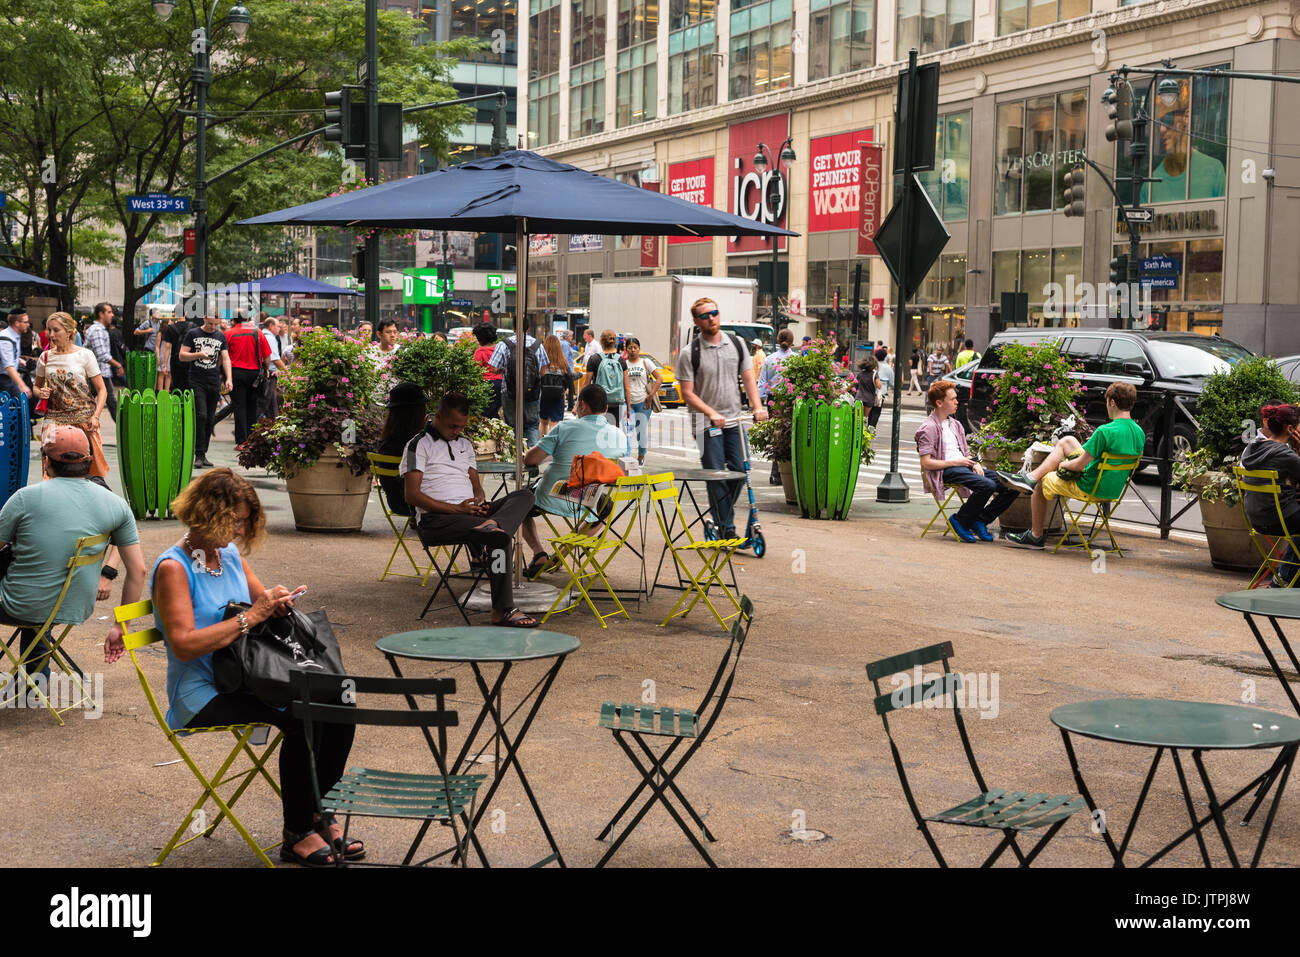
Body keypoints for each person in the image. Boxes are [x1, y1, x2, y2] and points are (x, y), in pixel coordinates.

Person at [145, 468, 360, 866]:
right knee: (298, 716)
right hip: (204, 690)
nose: (242, 530)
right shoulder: (173, 567)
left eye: (246, 521)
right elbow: (183, 645)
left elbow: (261, 600)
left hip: (246, 675)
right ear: (206, 514)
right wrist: (251, 617)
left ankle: (318, 811)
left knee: (341, 701)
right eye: (236, 520)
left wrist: (278, 599)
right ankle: (296, 833)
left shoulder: (227, 556)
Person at [0, 427, 144, 693]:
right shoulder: (116, 505)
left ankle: (34, 679)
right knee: (41, 606)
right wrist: (122, 627)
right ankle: (36, 680)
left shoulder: (24, 499)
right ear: (89, 461)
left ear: (46, 461)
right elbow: (139, 571)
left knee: (30, 595)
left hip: (18, 605)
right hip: (74, 604)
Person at [401, 393, 541, 628]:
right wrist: (456, 509)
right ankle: (503, 609)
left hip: (470, 515)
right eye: (452, 426)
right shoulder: (418, 444)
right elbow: (411, 495)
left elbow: (477, 488)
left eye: (461, 426)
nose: (457, 430)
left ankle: (495, 524)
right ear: (437, 417)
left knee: (525, 495)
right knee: (499, 539)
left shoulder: (465, 445)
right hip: (437, 520)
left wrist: (478, 502)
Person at [1001, 381, 1146, 548]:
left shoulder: (1105, 431)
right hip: (1112, 487)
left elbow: (1078, 466)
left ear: (1112, 402)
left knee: (1041, 483)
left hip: (1089, 486)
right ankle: (1030, 477)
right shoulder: (1139, 433)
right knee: (1068, 441)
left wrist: (1063, 465)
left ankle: (1035, 535)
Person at [675, 297, 767, 542]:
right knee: (716, 474)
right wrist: (711, 413)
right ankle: (726, 528)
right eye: (705, 315)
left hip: (735, 420)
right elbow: (687, 393)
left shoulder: (736, 344)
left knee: (739, 471)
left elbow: (748, 379)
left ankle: (719, 518)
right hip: (705, 424)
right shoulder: (689, 353)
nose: (711, 318)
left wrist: (758, 407)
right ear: (697, 321)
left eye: (714, 313)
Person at [520, 383, 628, 577]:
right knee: (606, 507)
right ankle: (561, 555)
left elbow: (530, 459)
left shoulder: (565, 427)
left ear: (582, 406)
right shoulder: (618, 435)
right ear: (605, 409)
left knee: (518, 503)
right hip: (590, 502)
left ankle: (539, 554)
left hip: (554, 494)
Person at [915, 379, 1020, 543]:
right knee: (987, 485)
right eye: (952, 399)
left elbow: (966, 452)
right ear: (939, 403)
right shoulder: (928, 428)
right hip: (945, 470)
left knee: (1013, 485)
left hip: (964, 466)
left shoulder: (956, 424)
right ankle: (960, 520)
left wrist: (975, 463)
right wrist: (958, 463)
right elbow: (926, 463)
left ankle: (980, 520)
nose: (957, 402)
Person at [34, 313, 110, 479]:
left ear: (68, 332)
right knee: (52, 469)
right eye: (49, 330)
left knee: (88, 472)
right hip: (54, 419)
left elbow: (102, 389)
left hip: (84, 421)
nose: (51, 335)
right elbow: (36, 387)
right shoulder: (45, 357)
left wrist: (96, 417)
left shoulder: (85, 355)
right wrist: (40, 392)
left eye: (56, 330)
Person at [1240, 401, 1300, 585]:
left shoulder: (1252, 448)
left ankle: (1286, 577)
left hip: (1256, 519)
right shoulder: (1286, 455)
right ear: (1290, 429)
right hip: (1279, 519)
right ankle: (1285, 577)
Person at [180, 314, 232, 470]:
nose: (212, 327)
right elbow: (182, 355)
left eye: (215, 324)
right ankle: (198, 454)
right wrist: (198, 355)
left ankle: (203, 454)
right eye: (210, 324)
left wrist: (229, 378)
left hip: (213, 380)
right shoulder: (193, 333)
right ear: (204, 319)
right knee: (201, 415)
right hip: (197, 380)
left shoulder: (220, 336)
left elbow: (226, 358)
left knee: (210, 419)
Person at [488, 327, 548, 447]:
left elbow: (493, 368)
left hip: (510, 391)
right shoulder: (538, 344)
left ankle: (515, 458)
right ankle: (531, 460)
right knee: (532, 425)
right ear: (528, 327)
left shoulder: (504, 344)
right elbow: (542, 372)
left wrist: (506, 369)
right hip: (533, 392)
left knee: (512, 425)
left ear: (514, 327)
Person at [376, 382, 428, 516]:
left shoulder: (387, 443)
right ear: (417, 412)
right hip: (415, 504)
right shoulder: (413, 446)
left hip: (396, 503)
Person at [225, 312, 271, 446]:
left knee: (239, 407)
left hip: (236, 374)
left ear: (233, 319)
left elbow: (224, 356)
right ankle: (251, 440)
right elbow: (267, 356)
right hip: (255, 375)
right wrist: (266, 369)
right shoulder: (258, 332)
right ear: (247, 319)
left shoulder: (228, 333)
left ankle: (241, 441)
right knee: (252, 407)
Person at [758, 328, 796, 484]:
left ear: (778, 340)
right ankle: (787, 473)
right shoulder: (796, 359)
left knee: (777, 435)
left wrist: (759, 403)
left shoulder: (770, 359)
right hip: (791, 400)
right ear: (792, 341)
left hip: (774, 401)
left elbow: (762, 383)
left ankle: (776, 474)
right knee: (790, 435)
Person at [582, 329, 631, 428]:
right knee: (613, 430)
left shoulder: (594, 359)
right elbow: (627, 387)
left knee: (598, 431)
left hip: (598, 402)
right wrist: (629, 408)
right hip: (616, 401)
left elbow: (586, 384)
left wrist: (579, 403)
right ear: (615, 342)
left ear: (600, 341)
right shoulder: (621, 360)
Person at [624, 337, 661, 466]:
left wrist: (651, 395)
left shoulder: (646, 362)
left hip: (643, 403)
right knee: (627, 430)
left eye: (635, 347)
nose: (633, 350)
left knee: (641, 431)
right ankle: (626, 457)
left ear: (639, 348)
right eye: (630, 348)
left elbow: (659, 378)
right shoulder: (624, 364)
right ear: (626, 349)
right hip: (627, 403)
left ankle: (641, 456)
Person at [83, 303, 123, 419]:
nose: (112, 315)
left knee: (90, 401)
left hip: (99, 372)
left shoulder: (99, 330)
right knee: (111, 402)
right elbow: (101, 354)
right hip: (97, 373)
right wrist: (118, 365)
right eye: (109, 312)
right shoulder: (97, 331)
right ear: (101, 314)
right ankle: (124, 430)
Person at [538, 334, 570, 437]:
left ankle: (542, 445)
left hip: (543, 394)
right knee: (555, 423)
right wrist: (566, 389)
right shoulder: (562, 362)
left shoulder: (542, 360)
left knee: (543, 422)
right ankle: (552, 446)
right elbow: (568, 378)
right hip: (558, 395)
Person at [257, 316, 288, 419]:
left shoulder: (262, 335)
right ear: (271, 326)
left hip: (266, 373)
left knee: (272, 406)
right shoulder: (269, 338)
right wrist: (289, 374)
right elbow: (276, 360)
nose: (279, 328)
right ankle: (248, 428)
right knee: (263, 403)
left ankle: (273, 427)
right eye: (278, 326)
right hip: (268, 374)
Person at [471, 323, 503, 419]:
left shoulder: (480, 352)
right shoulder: (499, 349)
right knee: (493, 412)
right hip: (501, 384)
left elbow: (475, 371)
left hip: (486, 385)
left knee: (485, 414)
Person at [0, 306, 32, 401]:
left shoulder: (14, 336)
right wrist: (22, 385)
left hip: (8, 379)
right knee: (17, 408)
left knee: (20, 406)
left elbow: (10, 356)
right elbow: (8, 366)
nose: (28, 324)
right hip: (3, 380)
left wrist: (22, 361)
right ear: (17, 323)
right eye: (25, 322)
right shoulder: (6, 338)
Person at [161, 314, 192, 393]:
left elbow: (167, 347)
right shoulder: (193, 326)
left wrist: (165, 365)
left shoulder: (170, 328)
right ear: (185, 313)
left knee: (176, 385)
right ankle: (188, 403)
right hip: (189, 360)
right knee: (189, 385)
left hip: (175, 360)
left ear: (175, 314)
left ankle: (177, 403)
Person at [856, 355, 883, 431]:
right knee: (865, 417)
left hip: (859, 398)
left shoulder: (860, 374)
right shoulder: (874, 374)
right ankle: (863, 433)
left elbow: (854, 384)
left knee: (858, 418)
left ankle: (856, 432)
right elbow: (879, 386)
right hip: (869, 399)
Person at [154, 316, 172, 392]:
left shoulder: (171, 332)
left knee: (169, 374)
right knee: (161, 374)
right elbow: (157, 346)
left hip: (170, 354)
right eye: (170, 321)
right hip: (162, 354)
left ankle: (167, 392)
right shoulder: (160, 333)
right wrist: (157, 356)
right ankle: (160, 392)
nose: (172, 322)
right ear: (166, 323)